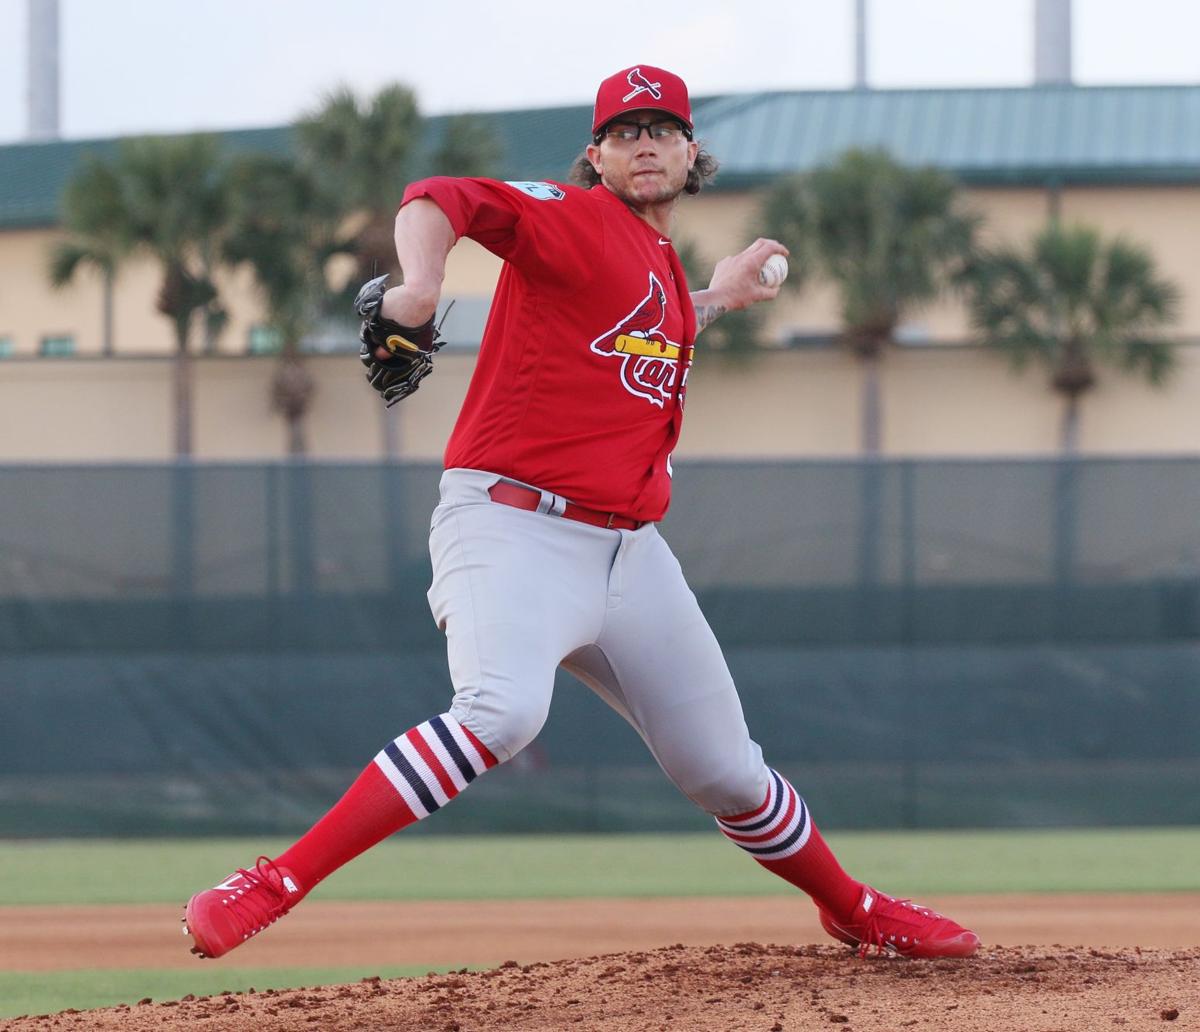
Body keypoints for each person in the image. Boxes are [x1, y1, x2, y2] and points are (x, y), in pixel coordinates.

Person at [183, 64, 979, 962]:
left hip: (630, 554)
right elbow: (436, 196)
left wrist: (719, 296)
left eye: (662, 129)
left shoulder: (658, 268)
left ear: (691, 153)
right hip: (513, 526)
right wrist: (418, 289)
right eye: (624, 132)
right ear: (595, 156)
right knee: (500, 713)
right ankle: (273, 882)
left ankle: (853, 908)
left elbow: (647, 328)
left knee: (725, 769)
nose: (645, 144)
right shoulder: (571, 219)